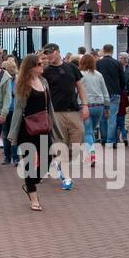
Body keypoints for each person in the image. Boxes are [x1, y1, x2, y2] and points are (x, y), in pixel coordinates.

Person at [7, 53, 58, 211]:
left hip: (43, 126)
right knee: (29, 164)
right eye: (38, 64)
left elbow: (49, 107)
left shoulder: (44, 82)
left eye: (42, 63)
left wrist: (54, 126)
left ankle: (31, 183)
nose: (42, 65)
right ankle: (34, 199)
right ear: (30, 67)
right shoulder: (22, 83)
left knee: (47, 159)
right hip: (26, 128)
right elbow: (17, 109)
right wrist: (12, 133)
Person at [42, 44, 86, 189]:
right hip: (55, 113)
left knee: (79, 136)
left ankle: (60, 163)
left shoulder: (72, 68)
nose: (48, 56)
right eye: (46, 54)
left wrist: (85, 105)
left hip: (73, 110)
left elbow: (80, 86)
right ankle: (66, 177)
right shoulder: (46, 71)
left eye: (50, 53)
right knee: (61, 144)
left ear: (57, 52)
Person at [78, 53, 110, 165]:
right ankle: (91, 153)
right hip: (99, 106)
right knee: (92, 129)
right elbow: (105, 91)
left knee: (88, 131)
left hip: (85, 105)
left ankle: (91, 154)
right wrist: (107, 107)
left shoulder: (80, 75)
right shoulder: (98, 75)